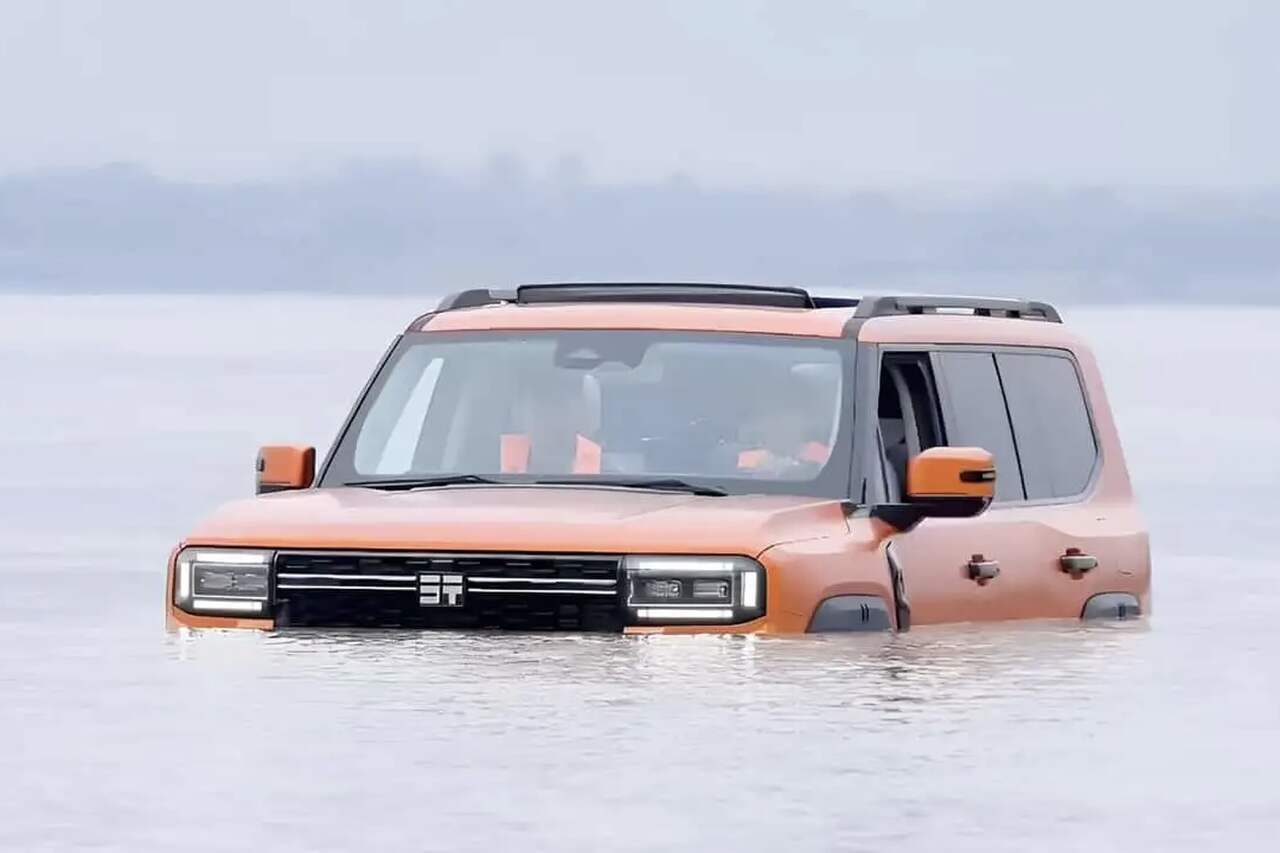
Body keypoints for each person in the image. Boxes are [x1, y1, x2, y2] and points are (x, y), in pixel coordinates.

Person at [499, 371, 603, 474]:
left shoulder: (605, 470)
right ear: (519, 414)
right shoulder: (493, 462)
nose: (551, 417)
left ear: (582, 412)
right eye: (541, 405)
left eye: (561, 405)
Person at [734, 378, 833, 476]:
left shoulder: (821, 455)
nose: (775, 425)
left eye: (782, 417)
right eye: (768, 416)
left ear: (803, 420)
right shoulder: (748, 460)